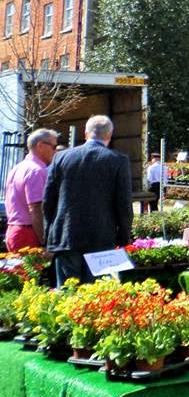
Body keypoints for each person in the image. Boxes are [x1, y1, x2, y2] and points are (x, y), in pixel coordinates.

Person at [44, 115, 133, 286]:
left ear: (85, 134)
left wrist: (49, 236)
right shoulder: (118, 160)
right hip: (101, 237)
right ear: (110, 135)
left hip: (66, 236)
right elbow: (123, 204)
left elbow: (48, 200)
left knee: (66, 294)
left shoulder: (61, 157)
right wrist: (123, 237)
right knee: (95, 296)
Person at [3, 128, 58, 252]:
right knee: (33, 271)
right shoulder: (36, 171)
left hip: (14, 230)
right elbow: (36, 208)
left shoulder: (18, 168)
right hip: (29, 234)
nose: (55, 151)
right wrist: (44, 242)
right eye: (53, 147)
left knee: (18, 271)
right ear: (40, 145)